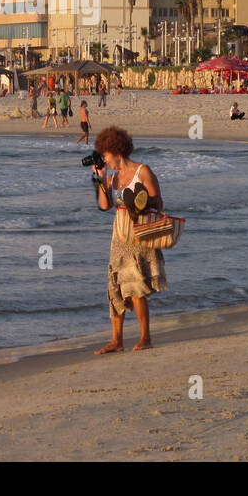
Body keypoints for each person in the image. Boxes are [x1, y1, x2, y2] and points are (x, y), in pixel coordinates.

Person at [90, 126, 167, 353]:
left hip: (139, 234)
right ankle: (117, 340)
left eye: (105, 155)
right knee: (116, 288)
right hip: (119, 236)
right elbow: (104, 206)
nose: (104, 160)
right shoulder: (112, 178)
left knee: (135, 287)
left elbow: (158, 203)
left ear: (115, 150)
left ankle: (146, 337)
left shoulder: (142, 172)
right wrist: (101, 180)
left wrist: (138, 203)